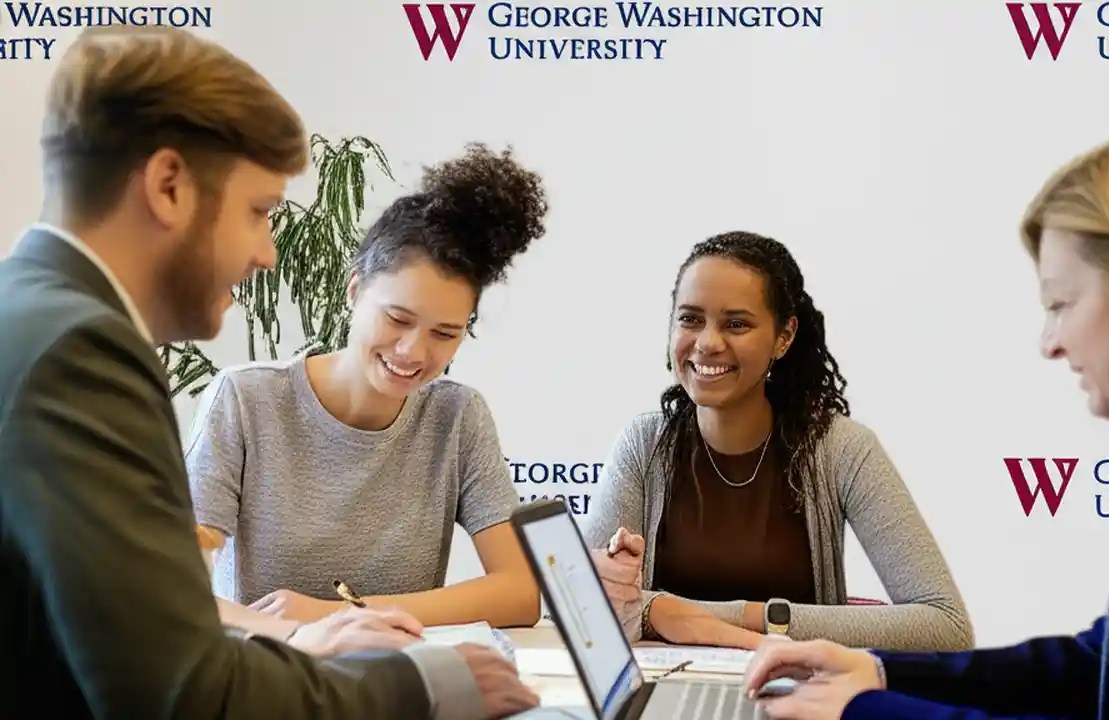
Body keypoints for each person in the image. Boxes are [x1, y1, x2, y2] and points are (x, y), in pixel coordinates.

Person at [0, 25, 537, 718]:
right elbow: (179, 690)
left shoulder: (32, 315)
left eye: (443, 332)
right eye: (259, 213)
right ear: (168, 186)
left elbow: (140, 642)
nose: (266, 254)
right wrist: (423, 684)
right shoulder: (81, 355)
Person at [741, 120, 1109, 719]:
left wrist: (864, 712)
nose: (1051, 343)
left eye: (1061, 305)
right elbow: (1107, 665)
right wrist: (883, 672)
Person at [186, 143, 546, 631]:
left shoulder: (457, 417)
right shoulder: (246, 401)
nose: (413, 353)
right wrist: (304, 634)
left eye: (445, 334)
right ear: (355, 290)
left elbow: (521, 593)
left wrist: (342, 615)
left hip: (396, 686)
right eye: (397, 319)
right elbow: (175, 585)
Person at [584, 232, 974, 652]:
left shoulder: (841, 449)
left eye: (736, 323)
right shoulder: (645, 445)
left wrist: (689, 616)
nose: (708, 342)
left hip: (798, 698)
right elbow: (580, 609)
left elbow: (946, 626)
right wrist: (630, 598)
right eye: (690, 318)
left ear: (783, 337)